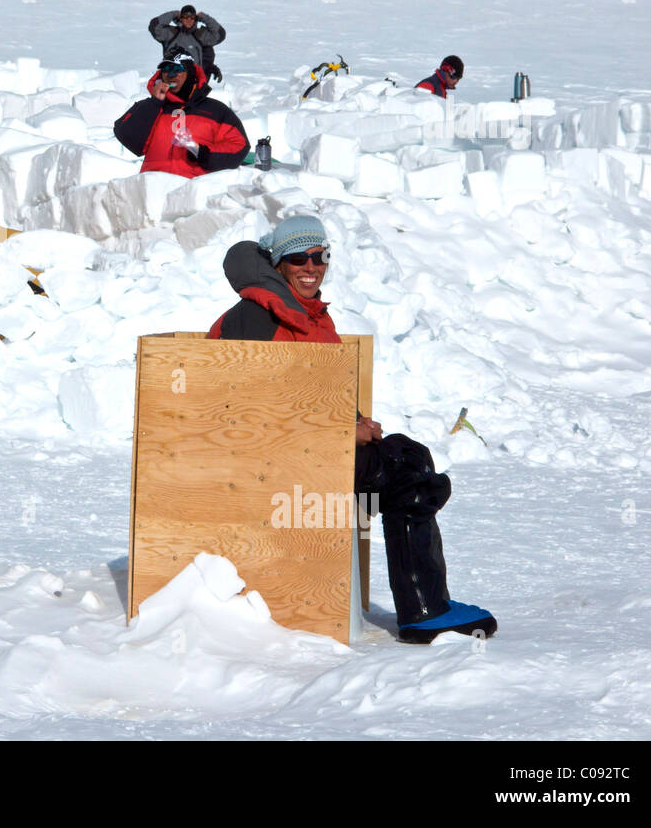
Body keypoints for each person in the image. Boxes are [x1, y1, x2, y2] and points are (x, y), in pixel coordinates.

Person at [208, 214, 497, 644]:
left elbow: (313, 389)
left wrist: (352, 421)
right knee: (407, 477)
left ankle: (426, 604)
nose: (311, 267)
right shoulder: (258, 317)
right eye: (298, 258)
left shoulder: (305, 313)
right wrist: (342, 432)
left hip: (308, 444)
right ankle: (423, 609)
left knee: (407, 452)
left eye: (320, 256)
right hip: (272, 459)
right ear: (278, 262)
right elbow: (256, 409)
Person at [113, 55, 249, 178]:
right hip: (152, 185)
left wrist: (201, 152)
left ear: (190, 73)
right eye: (165, 70)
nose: (170, 75)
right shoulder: (153, 107)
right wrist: (154, 103)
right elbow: (124, 134)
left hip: (191, 188)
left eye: (177, 69)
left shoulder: (215, 110)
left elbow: (239, 146)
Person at [149, 5, 226, 81]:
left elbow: (220, 34)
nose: (189, 20)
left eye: (192, 17)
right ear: (180, 18)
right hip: (172, 79)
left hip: (194, 81)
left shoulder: (201, 35)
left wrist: (204, 17)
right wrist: (174, 14)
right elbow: (154, 26)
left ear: (195, 19)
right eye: (185, 16)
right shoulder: (171, 33)